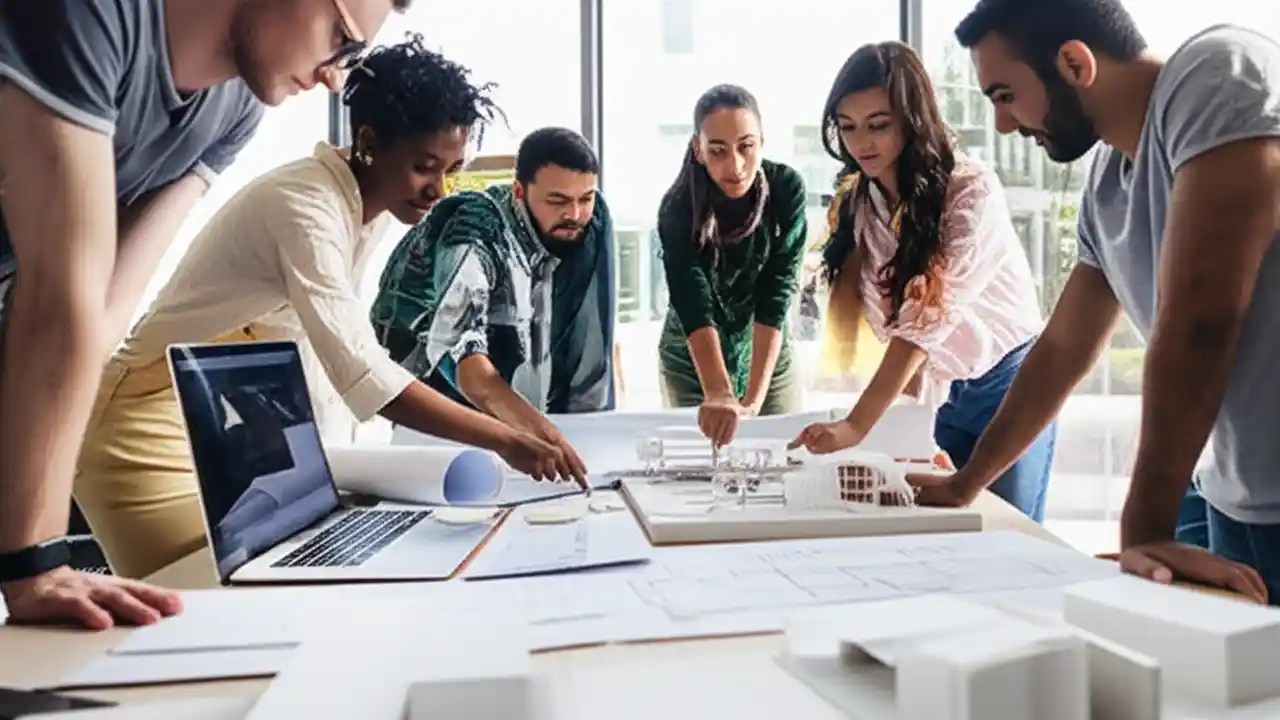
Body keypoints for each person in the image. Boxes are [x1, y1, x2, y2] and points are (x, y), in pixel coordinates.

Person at [73, 39, 569, 581]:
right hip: (141, 428)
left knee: (297, 575)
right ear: (369, 143)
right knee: (206, 601)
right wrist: (503, 439)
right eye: (426, 167)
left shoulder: (365, 210)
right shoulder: (305, 208)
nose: (440, 189)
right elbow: (358, 367)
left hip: (226, 427)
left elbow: (322, 357)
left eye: (453, 169)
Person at [0, 0, 410, 630]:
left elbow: (104, 307)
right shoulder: (85, 14)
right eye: (341, 38)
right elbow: (62, 299)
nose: (335, 75)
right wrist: (36, 559)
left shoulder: (236, 107)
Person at [914, 0, 1279, 604]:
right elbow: (1061, 350)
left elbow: (1201, 317)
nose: (1004, 125)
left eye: (1005, 95)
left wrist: (1144, 531)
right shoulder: (1108, 183)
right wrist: (968, 483)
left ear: (1074, 62)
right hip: (1236, 501)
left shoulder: (1218, 75)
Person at [788, 42, 1055, 522]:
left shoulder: (971, 189)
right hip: (947, 387)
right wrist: (903, 434)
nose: (860, 143)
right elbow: (894, 328)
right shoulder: (862, 204)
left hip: (1014, 383)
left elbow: (923, 321)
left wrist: (856, 427)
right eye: (847, 127)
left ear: (913, 117)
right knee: (942, 529)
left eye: (878, 124)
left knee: (1008, 534)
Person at [371, 127, 615, 477]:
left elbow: (590, 350)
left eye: (585, 199)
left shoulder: (590, 220)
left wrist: (582, 435)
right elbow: (461, 353)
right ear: (520, 192)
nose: (575, 214)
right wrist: (537, 431)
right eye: (557, 201)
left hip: (525, 417)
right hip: (444, 422)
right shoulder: (473, 229)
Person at [656, 84, 809, 447]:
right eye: (718, 151)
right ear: (698, 148)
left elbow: (777, 293)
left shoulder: (786, 189)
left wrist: (753, 402)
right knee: (702, 466)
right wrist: (719, 393)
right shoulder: (677, 208)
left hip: (766, 350)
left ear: (762, 141)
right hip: (692, 355)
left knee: (783, 455)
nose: (736, 166)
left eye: (746, 147)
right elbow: (693, 303)